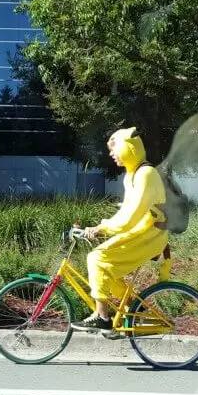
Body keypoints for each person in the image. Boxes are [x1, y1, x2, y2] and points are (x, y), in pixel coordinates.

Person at [71, 127, 169, 334]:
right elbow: (127, 213)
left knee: (97, 258)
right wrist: (104, 226)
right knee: (106, 269)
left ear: (128, 148)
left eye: (114, 148)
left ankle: (102, 317)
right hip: (143, 233)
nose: (111, 153)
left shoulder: (146, 174)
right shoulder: (131, 176)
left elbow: (131, 216)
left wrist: (102, 228)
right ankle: (134, 308)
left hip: (151, 236)